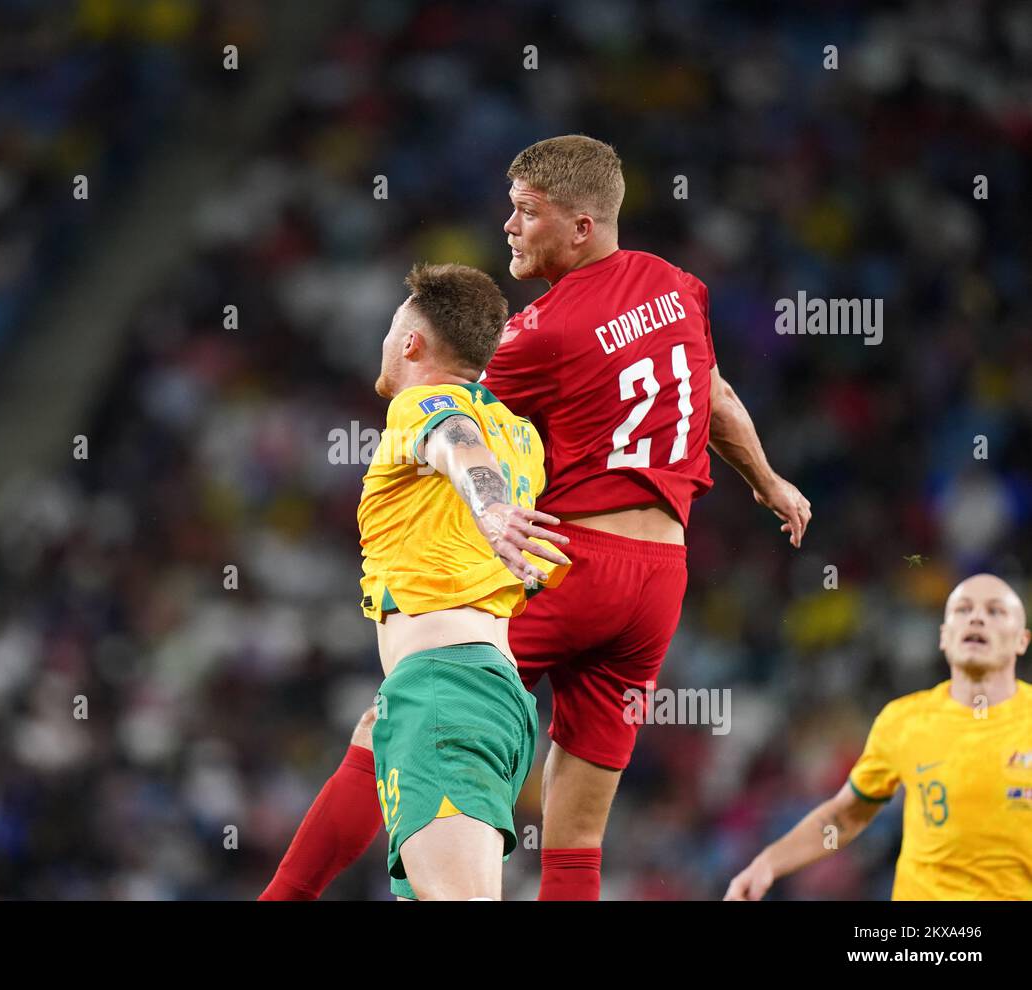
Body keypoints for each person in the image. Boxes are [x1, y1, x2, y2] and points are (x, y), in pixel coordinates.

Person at [261, 135, 809, 902]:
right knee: (576, 836)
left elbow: (450, 408)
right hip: (659, 585)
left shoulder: (536, 335)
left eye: (527, 212)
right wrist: (769, 480)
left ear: (580, 226)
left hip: (566, 561)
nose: (509, 227)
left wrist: (470, 502)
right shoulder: (677, 287)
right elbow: (712, 393)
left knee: (400, 719)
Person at [354, 260, 570, 899]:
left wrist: (490, 504)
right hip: (479, 691)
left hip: (444, 690)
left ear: (411, 343)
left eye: (394, 330)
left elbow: (455, 439)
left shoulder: (425, 404)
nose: (388, 341)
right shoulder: (524, 438)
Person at [725, 572, 1032, 901]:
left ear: (1022, 640)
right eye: (963, 609)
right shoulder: (904, 721)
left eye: (995, 611)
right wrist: (767, 864)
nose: (977, 618)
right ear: (944, 636)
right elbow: (846, 816)